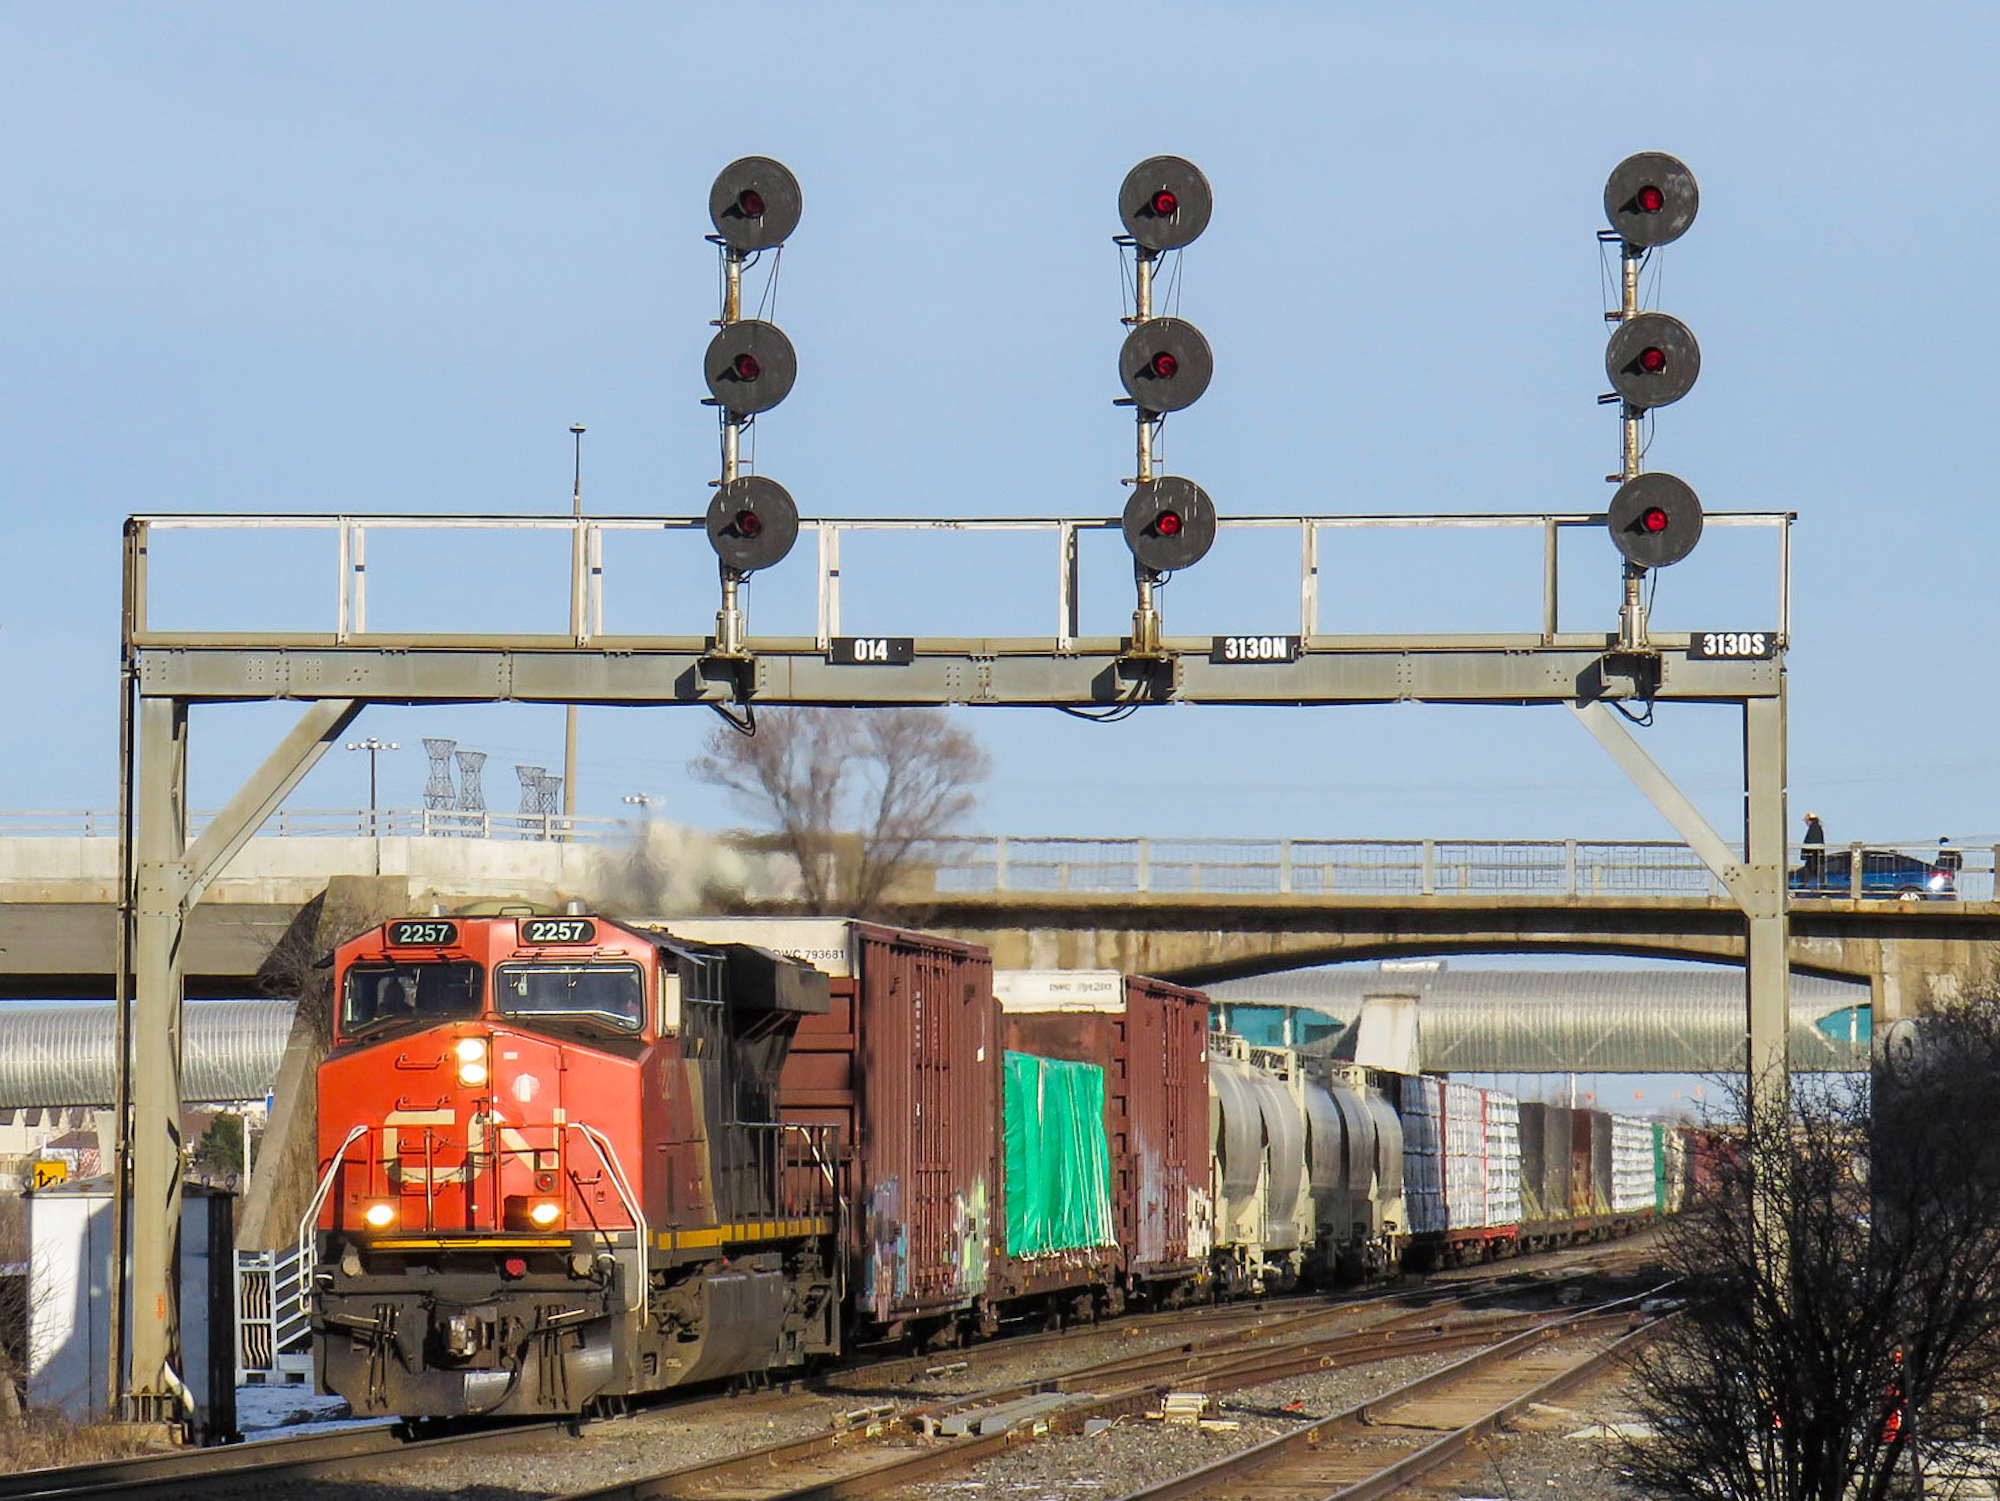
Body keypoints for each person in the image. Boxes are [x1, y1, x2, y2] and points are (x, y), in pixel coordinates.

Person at [1802, 812, 1826, 888]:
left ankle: (1803, 887)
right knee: (1819, 871)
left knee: (1810, 870)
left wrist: (1805, 852)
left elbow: (1810, 841)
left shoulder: (1814, 828)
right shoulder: (1817, 827)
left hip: (1812, 854)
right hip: (1816, 854)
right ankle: (1822, 889)